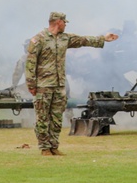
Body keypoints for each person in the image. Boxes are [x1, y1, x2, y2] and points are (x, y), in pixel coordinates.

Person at [25, 12, 119, 156]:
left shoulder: (65, 38)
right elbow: (30, 63)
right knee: (42, 117)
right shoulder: (39, 39)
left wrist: (103, 39)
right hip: (43, 86)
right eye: (65, 22)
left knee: (57, 117)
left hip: (59, 85)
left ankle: (54, 146)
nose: (66, 24)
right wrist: (31, 84)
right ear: (58, 22)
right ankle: (44, 147)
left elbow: (83, 40)